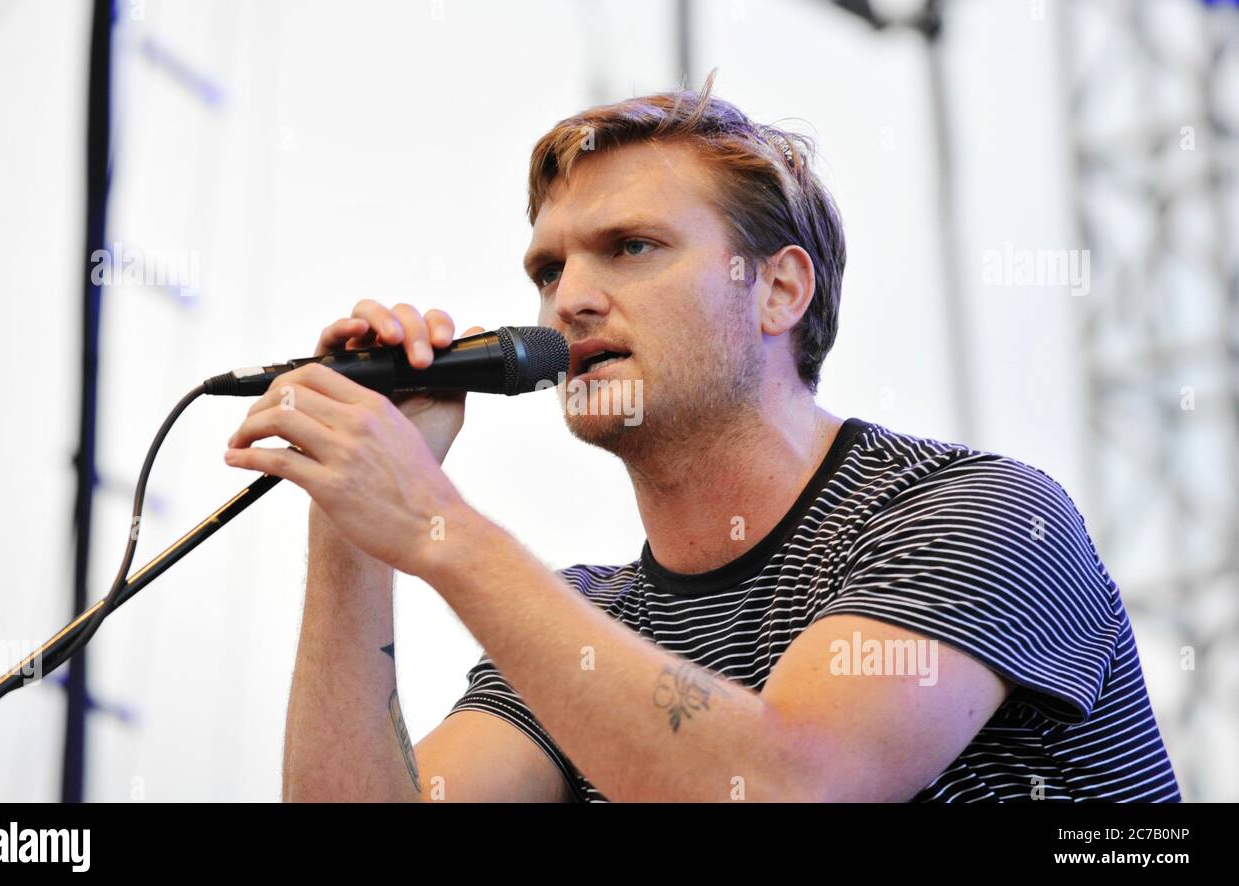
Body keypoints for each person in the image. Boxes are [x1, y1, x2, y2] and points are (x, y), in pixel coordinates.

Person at [224, 74, 1181, 802]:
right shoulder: (594, 620)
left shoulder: (985, 514)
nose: (572, 298)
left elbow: (790, 782)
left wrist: (437, 527)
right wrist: (352, 520)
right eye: (548, 268)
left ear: (778, 289)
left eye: (631, 247)